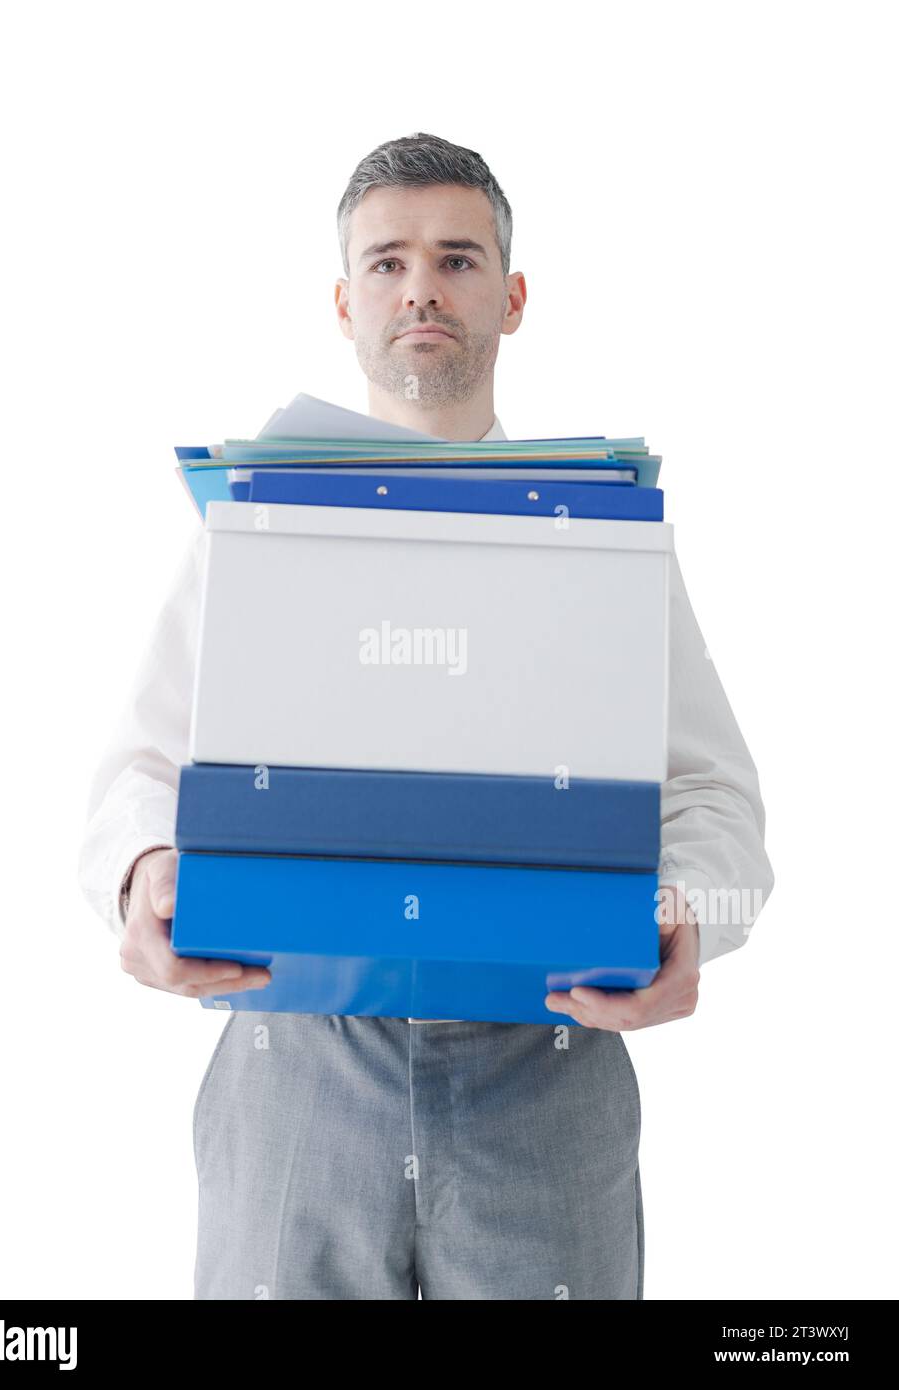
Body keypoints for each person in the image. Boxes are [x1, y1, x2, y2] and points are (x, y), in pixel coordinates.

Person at [78, 132, 775, 1300]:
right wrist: (143, 872)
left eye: (457, 259)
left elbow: (713, 791)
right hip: (294, 1066)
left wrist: (688, 909)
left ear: (511, 296)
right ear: (344, 301)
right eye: (388, 262)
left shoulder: (604, 538)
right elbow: (139, 767)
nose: (421, 289)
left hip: (547, 1057)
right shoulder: (249, 529)